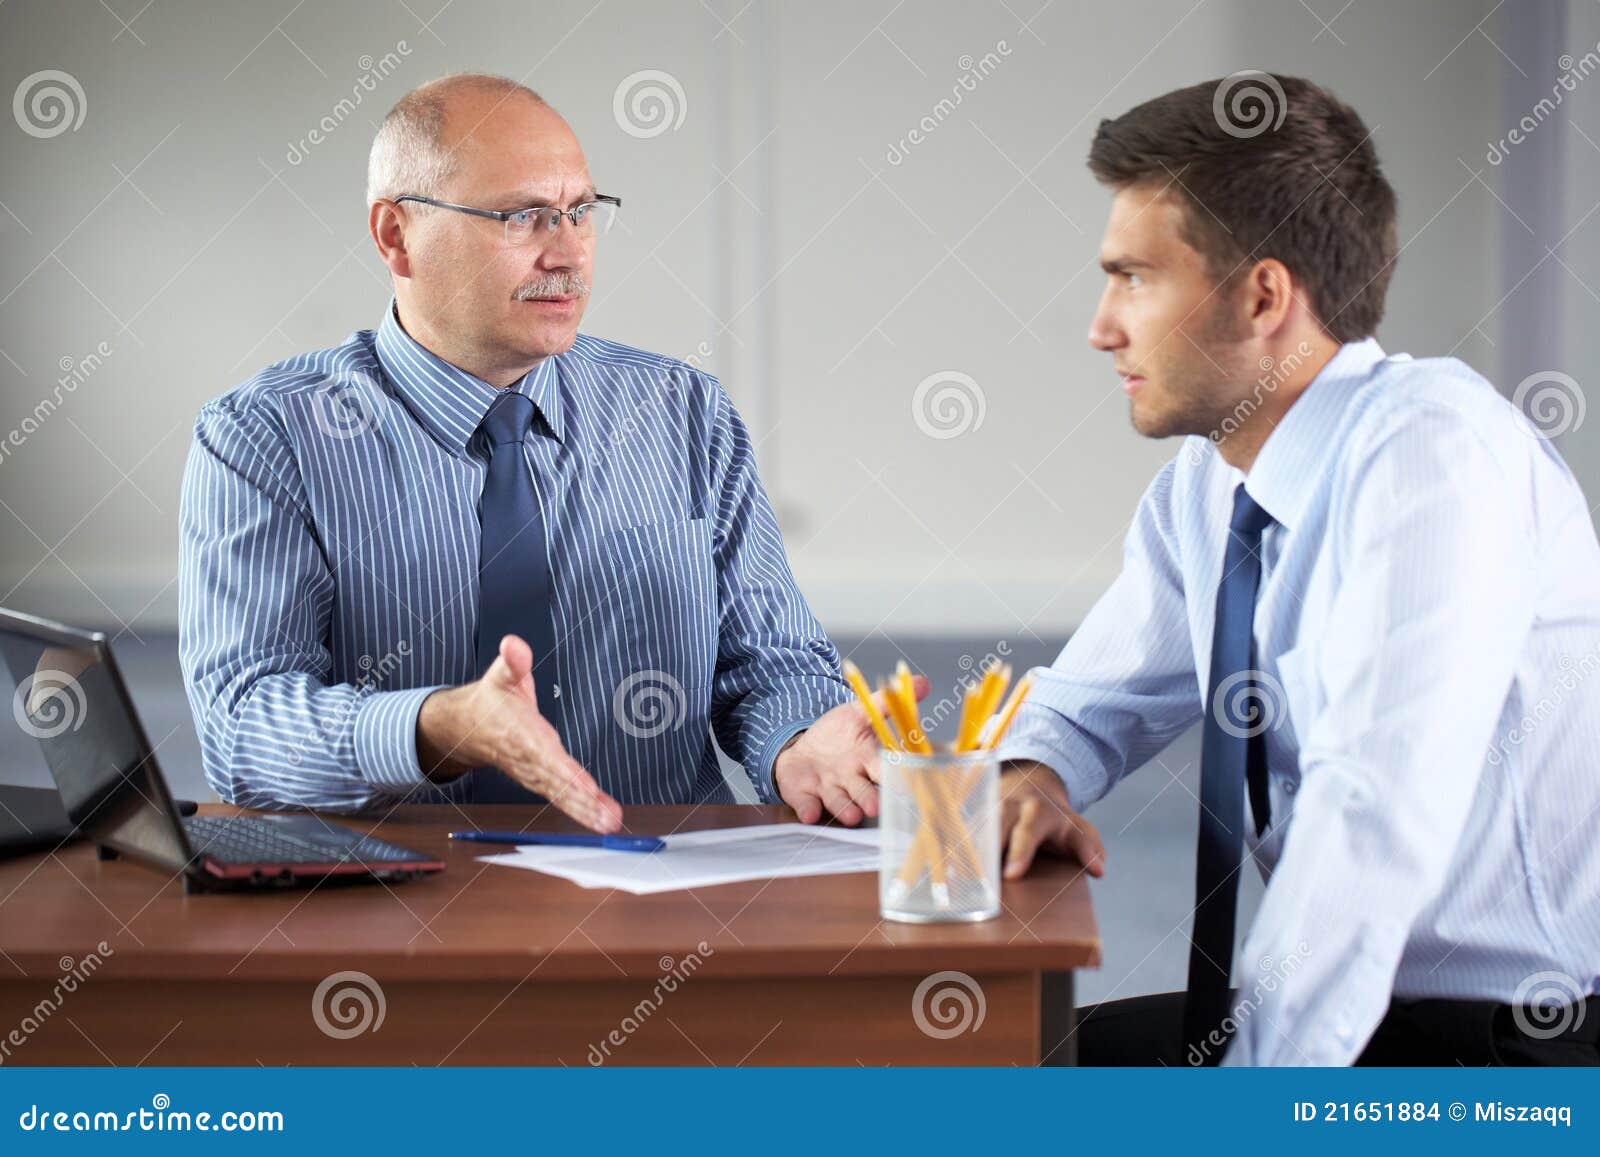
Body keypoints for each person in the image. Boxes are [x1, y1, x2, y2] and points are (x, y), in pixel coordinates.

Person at [991, 74, 1600, 1065]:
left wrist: (1259, 1106)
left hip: (1522, 1046)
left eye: (1133, 278)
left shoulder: (1433, 453)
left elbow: (1370, 812)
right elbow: (1092, 701)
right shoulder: (1210, 483)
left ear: (1263, 295)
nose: (1101, 327)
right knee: (1014, 1065)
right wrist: (1034, 772)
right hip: (1376, 1016)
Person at [178, 74, 913, 830]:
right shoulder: (266, 435)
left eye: (581, 212)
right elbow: (242, 729)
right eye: (523, 217)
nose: (568, 254)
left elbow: (770, 662)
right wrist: (436, 728)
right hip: (402, 890)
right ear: (396, 235)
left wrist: (799, 741)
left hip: (665, 881)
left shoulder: (683, 411)